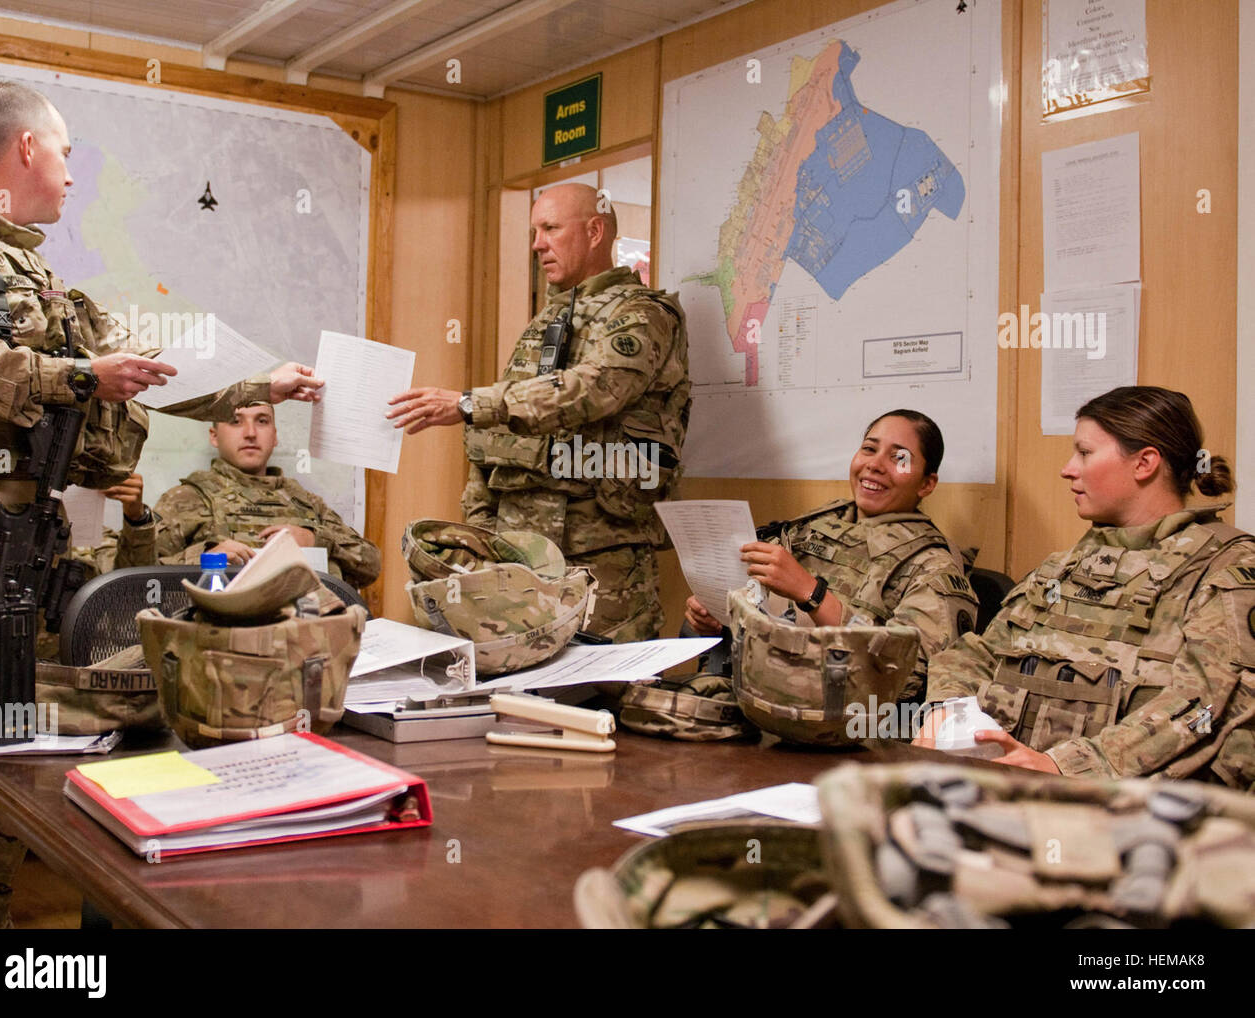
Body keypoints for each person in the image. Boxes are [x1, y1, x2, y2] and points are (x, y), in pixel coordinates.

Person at [0, 79, 322, 929]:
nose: (74, 172)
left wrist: (256, 385)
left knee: (0, 789)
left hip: (18, 577)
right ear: (24, 150)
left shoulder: (35, 272)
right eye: (67, 151)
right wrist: (73, 376)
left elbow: (144, 374)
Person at [386, 182, 689, 643]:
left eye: (550, 228)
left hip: (598, 561)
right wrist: (482, 536)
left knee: (602, 696)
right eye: (534, 231)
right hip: (520, 559)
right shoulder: (546, 321)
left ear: (594, 231)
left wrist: (470, 403)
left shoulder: (642, 313)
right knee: (525, 701)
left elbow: (596, 387)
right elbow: (497, 439)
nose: (537, 244)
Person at [917, 386, 1255, 792]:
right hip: (1010, 793)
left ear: (1145, 462)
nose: (1068, 469)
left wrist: (1061, 767)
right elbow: (976, 654)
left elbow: (1204, 705)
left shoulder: (1228, 570)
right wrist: (950, 713)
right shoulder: (1063, 567)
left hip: (1134, 818)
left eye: (1085, 452)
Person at [684, 410, 978, 702]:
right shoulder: (813, 526)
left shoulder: (933, 566)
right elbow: (756, 610)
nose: (875, 465)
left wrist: (812, 595)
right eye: (869, 449)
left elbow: (906, 678)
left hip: (842, 726)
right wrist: (719, 615)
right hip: (751, 695)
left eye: (899, 458)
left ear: (927, 483)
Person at [153, 402, 382, 588]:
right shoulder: (186, 498)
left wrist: (315, 540)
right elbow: (139, 576)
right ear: (214, 436)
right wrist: (206, 559)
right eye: (235, 421)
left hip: (302, 633)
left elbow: (371, 566)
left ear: (274, 436)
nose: (250, 433)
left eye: (262, 421)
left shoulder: (306, 502)